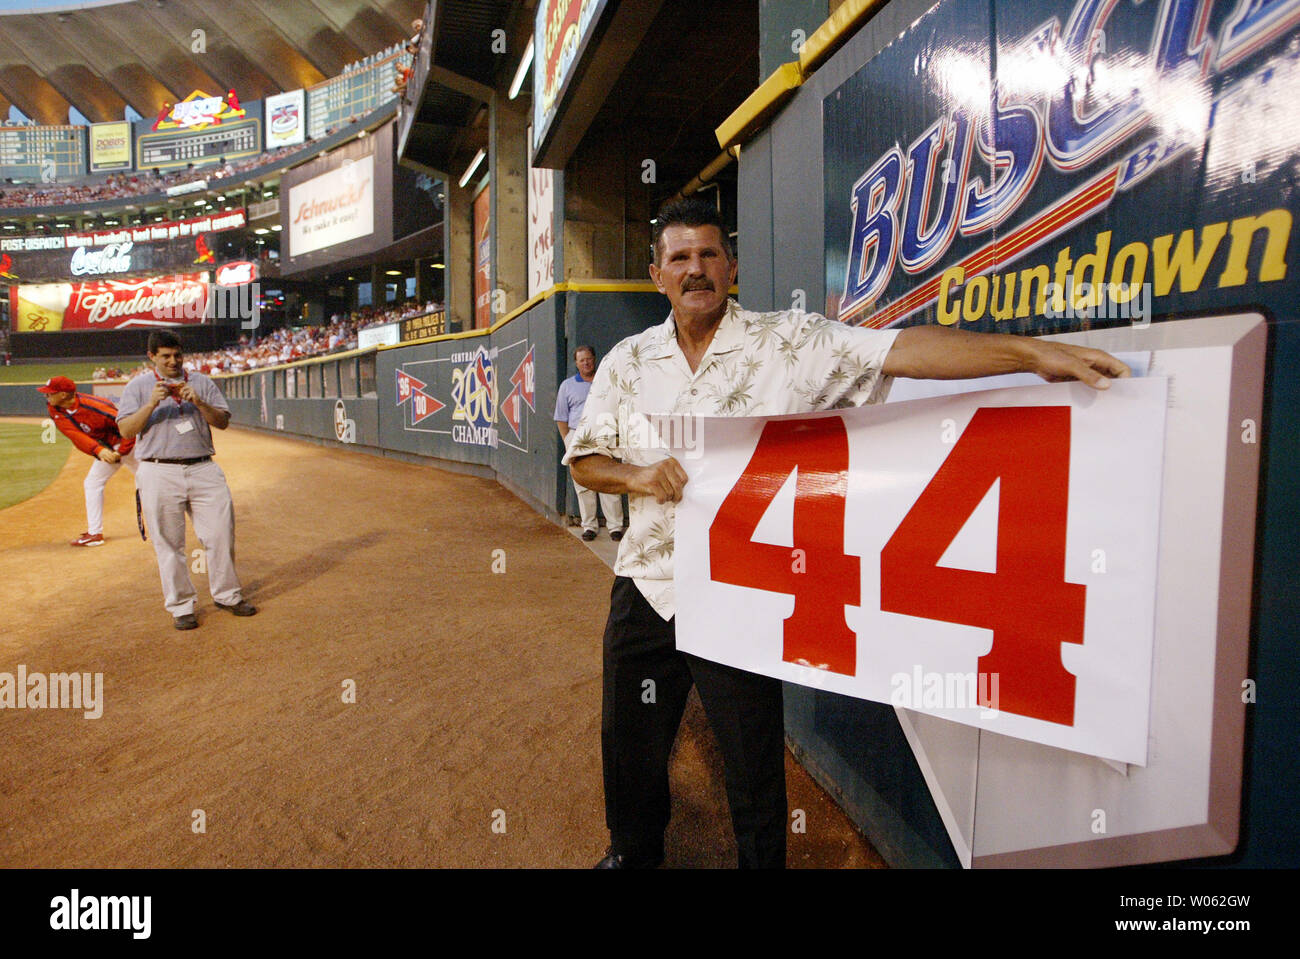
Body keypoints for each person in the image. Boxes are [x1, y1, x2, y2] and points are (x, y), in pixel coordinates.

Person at [565, 196, 1130, 869]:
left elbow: (900, 350)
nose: (696, 269)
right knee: (628, 741)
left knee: (750, 762)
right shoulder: (627, 363)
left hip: (738, 593)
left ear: (732, 265)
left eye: (709, 254)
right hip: (647, 586)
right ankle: (632, 854)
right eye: (679, 257)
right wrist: (636, 477)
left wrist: (1028, 354)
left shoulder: (788, 344)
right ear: (657, 273)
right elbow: (587, 459)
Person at [117, 331, 257, 631]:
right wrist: (151, 404)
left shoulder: (202, 382)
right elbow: (127, 431)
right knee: (169, 543)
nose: (173, 361)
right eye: (165, 356)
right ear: (152, 356)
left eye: (177, 355)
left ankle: (227, 595)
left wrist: (201, 403)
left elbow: (222, 422)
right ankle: (181, 606)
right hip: (158, 470)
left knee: (220, 534)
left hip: (203, 468)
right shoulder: (138, 386)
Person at [37, 375, 138, 547]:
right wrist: (98, 450)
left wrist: (121, 451)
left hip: (130, 444)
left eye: (50, 393)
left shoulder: (96, 406)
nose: (46, 396)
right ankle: (95, 533)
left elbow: (129, 428)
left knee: (148, 481)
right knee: (93, 482)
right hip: (106, 447)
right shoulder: (55, 408)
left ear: (62, 395)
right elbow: (74, 435)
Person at [555, 345, 626, 542]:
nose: (586, 362)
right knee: (583, 484)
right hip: (578, 435)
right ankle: (589, 526)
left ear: (595, 359)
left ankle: (615, 527)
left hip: (604, 433)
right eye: (581, 360)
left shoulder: (606, 381)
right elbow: (561, 417)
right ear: (576, 363)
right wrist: (568, 440)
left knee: (608, 479)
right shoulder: (567, 386)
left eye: (588, 359)